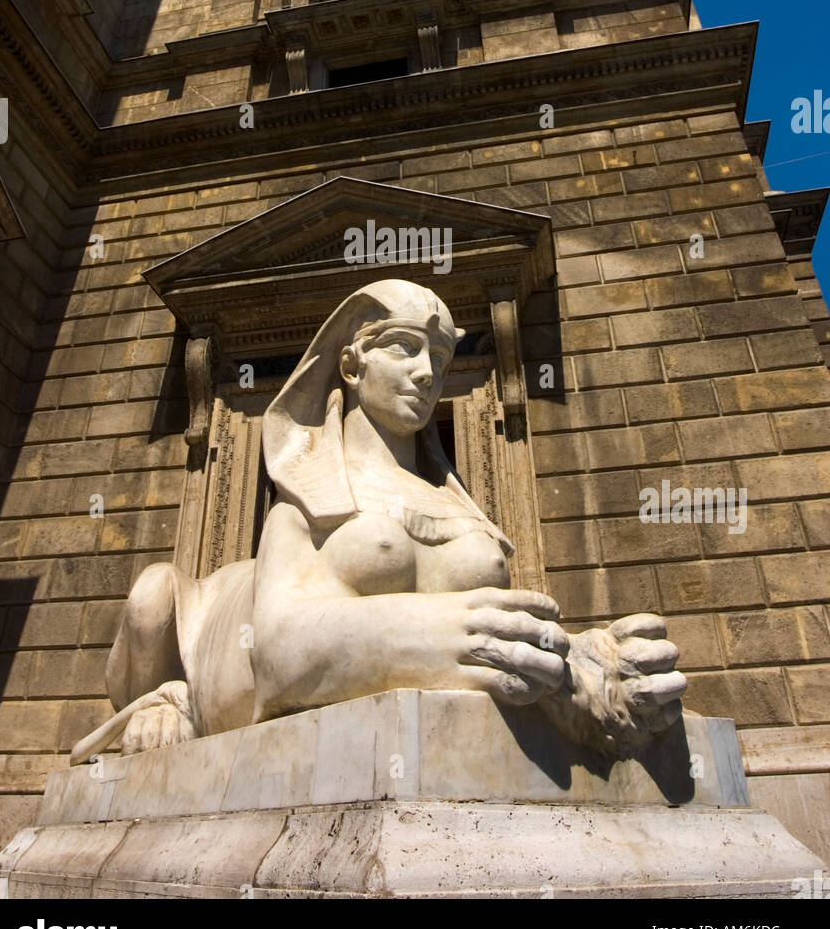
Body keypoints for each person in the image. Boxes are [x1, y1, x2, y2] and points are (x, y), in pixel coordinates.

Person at [71, 280, 685, 764]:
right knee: (154, 594)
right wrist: (453, 634)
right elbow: (284, 656)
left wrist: (589, 662)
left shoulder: (455, 506)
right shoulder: (303, 505)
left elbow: (494, 640)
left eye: (441, 358)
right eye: (405, 346)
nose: (427, 372)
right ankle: (172, 695)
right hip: (220, 654)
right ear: (349, 365)